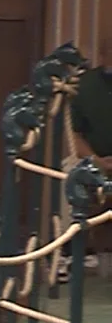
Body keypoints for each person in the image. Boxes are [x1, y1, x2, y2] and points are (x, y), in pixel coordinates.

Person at [56, 42, 112, 283]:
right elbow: (76, 135)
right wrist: (96, 161)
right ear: (103, 54)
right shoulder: (85, 86)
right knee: (69, 177)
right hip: (95, 161)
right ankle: (70, 250)